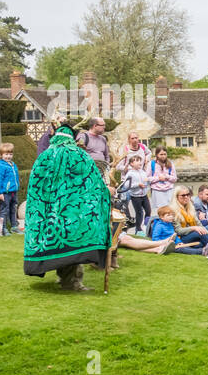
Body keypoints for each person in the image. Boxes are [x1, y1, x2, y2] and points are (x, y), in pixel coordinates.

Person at [23, 121, 111, 290]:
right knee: (74, 240)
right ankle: (72, 282)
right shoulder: (79, 155)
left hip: (49, 210)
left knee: (59, 240)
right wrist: (106, 193)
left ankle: (65, 278)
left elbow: (35, 187)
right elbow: (93, 182)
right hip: (72, 210)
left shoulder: (44, 157)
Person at [121, 153, 151, 234]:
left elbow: (146, 181)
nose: (139, 163)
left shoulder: (143, 172)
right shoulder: (130, 173)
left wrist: (148, 183)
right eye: (137, 161)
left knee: (148, 211)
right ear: (131, 164)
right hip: (135, 196)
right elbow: (127, 185)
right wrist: (138, 185)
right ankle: (138, 229)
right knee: (139, 213)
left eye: (140, 161)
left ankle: (145, 225)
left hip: (144, 195)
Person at [149, 147, 179, 213]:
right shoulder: (152, 164)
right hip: (157, 191)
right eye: (161, 154)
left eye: (165, 154)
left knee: (171, 210)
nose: (163, 156)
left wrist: (167, 177)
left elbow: (174, 179)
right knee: (159, 211)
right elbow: (147, 178)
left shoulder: (170, 164)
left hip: (169, 190)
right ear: (157, 155)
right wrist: (158, 178)